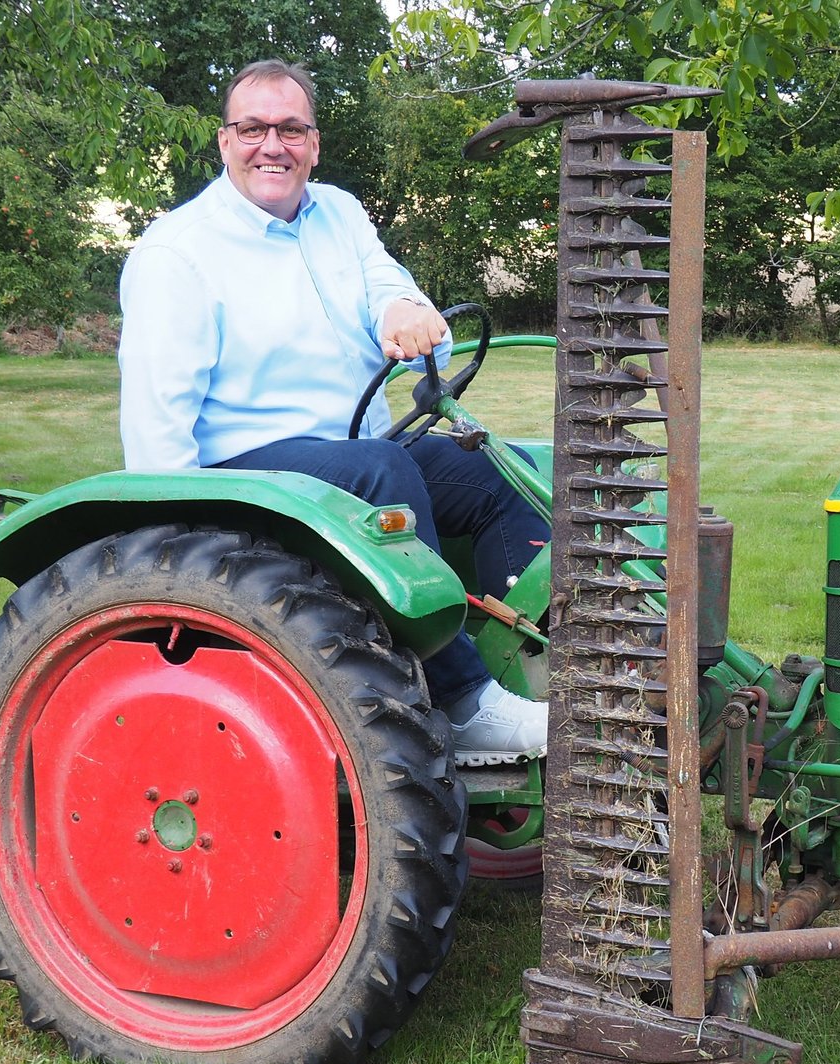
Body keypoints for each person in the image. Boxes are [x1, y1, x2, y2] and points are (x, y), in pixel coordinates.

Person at [117, 59, 549, 766]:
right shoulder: (177, 253)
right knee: (379, 470)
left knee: (497, 471)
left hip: (353, 454)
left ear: (314, 143)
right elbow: (156, 424)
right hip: (246, 474)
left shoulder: (339, 212)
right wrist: (174, 557)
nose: (272, 145)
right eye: (253, 129)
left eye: (291, 129)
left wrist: (402, 307)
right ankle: (464, 702)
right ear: (225, 142)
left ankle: (529, 664)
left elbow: (382, 280)